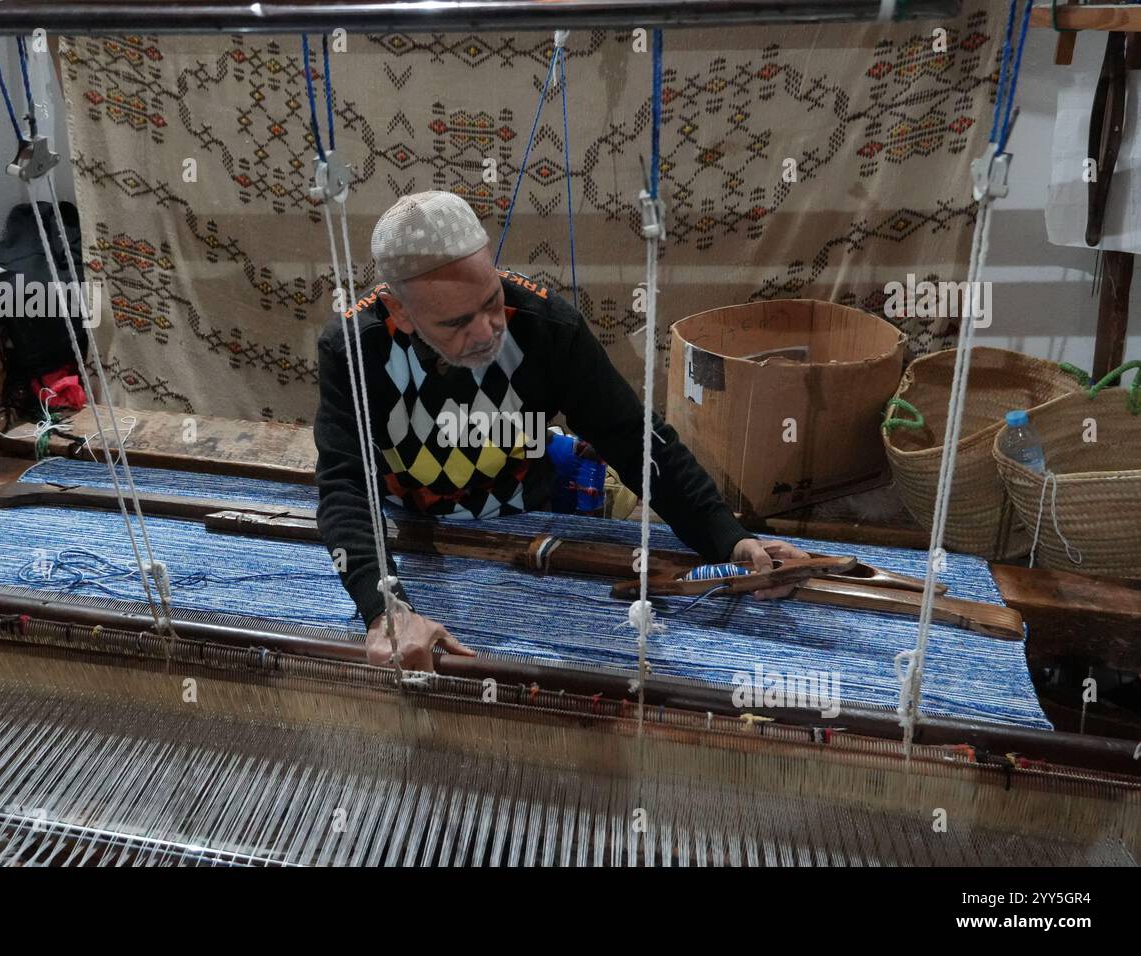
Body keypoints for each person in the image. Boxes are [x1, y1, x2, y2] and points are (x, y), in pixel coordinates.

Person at [314, 191, 808, 670]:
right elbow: (345, 485)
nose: (487, 332)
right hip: (413, 521)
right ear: (400, 310)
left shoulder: (546, 327)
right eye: (457, 323)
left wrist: (731, 540)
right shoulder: (354, 350)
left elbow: (633, 437)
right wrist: (386, 610)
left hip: (530, 509)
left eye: (491, 301)